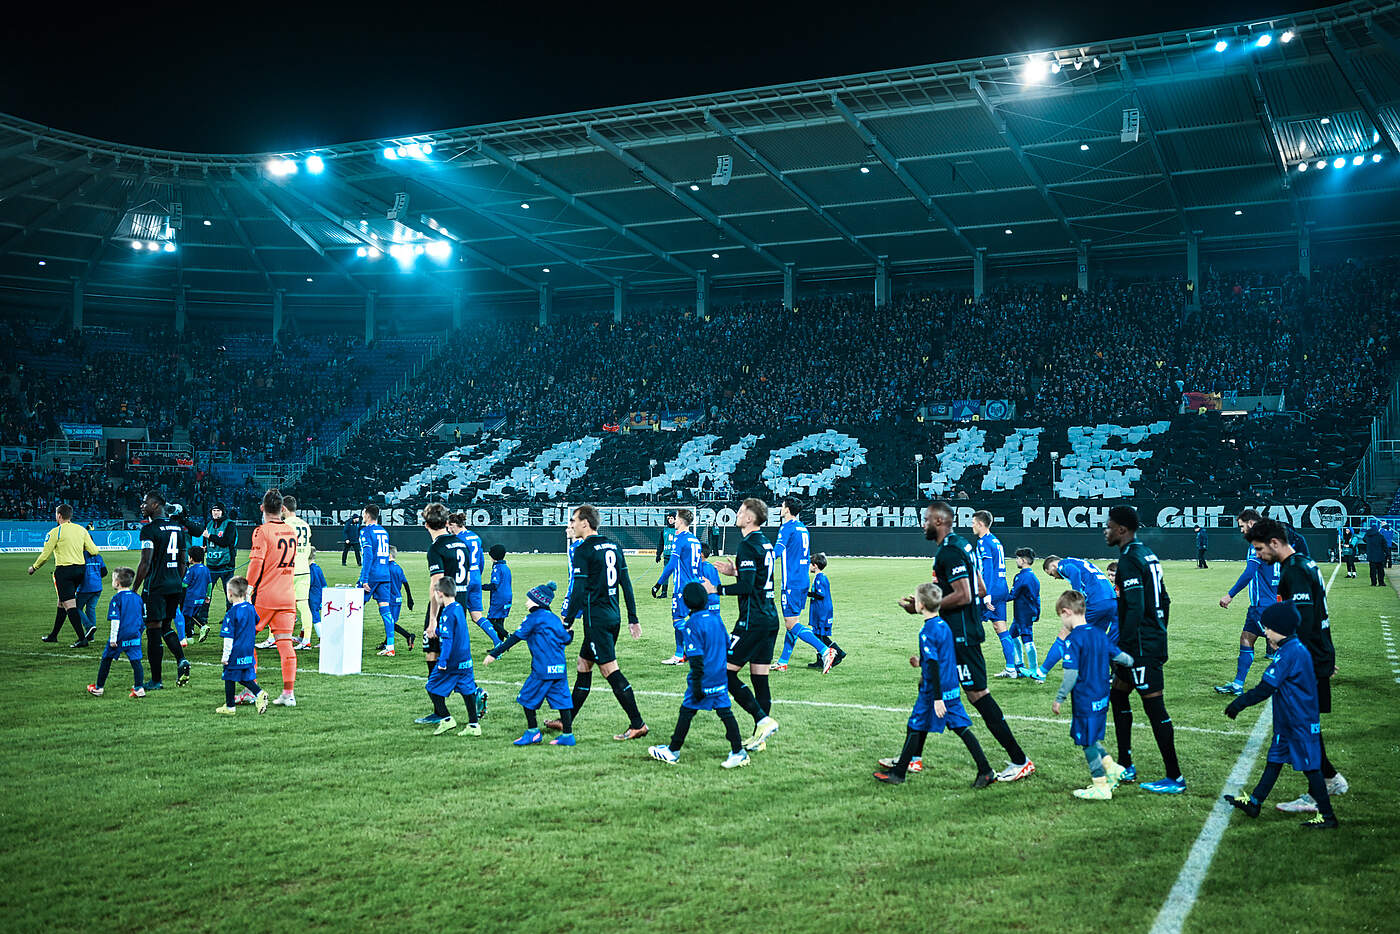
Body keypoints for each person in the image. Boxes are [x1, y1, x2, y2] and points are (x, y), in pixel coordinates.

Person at [902, 501, 1034, 783]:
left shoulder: (949, 551)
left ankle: (1020, 759)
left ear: (938, 522)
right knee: (928, 683)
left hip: (961, 635)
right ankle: (911, 758)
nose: (923, 524)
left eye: (926, 520)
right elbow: (981, 587)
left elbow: (964, 594)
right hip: (954, 632)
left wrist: (923, 606)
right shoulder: (963, 545)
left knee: (978, 695)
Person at [1243, 518, 1347, 813]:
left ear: (1275, 543)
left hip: (1307, 660)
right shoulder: (1304, 563)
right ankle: (1329, 779)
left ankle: (1322, 789)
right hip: (1316, 656)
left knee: (1303, 725)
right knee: (1303, 724)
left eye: (1260, 549)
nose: (1259, 555)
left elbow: (1303, 621)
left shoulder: (1295, 569)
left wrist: (1295, 657)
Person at [1223, 603, 1339, 829]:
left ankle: (1328, 816)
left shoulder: (1291, 652)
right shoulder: (1290, 648)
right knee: (1274, 759)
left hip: (1300, 721)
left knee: (1311, 767)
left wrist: (1239, 703)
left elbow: (1266, 687)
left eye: (1267, 628)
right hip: (1288, 720)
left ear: (1280, 628)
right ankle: (1255, 802)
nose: (1265, 632)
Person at [875, 582, 996, 787]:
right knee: (961, 727)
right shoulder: (944, 626)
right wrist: (920, 662)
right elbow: (941, 657)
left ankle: (898, 773)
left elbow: (933, 665)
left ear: (920, 605)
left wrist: (937, 698)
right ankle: (985, 770)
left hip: (933, 690)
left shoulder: (927, 631)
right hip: (951, 686)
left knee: (915, 725)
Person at [547, 504, 648, 741]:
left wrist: (567, 621)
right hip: (613, 616)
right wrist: (633, 618)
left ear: (585, 522)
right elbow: (626, 583)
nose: (572, 524)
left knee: (609, 670)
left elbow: (579, 590)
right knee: (584, 665)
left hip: (597, 620)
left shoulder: (584, 550)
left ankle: (638, 723)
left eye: (574, 520)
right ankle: (566, 720)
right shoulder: (614, 545)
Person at [1104, 505, 1184, 795]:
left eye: (1110, 526)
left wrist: (1123, 648)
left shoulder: (1129, 560)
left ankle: (1174, 777)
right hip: (1145, 640)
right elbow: (1166, 599)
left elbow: (1136, 607)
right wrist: (1161, 628)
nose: (1106, 530)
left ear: (1122, 529)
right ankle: (1125, 764)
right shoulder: (1146, 553)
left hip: (1139, 646)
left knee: (1154, 707)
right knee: (1117, 693)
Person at [647, 582, 750, 769]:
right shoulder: (716, 619)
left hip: (703, 679)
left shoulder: (691, 625)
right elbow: (728, 645)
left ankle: (673, 751)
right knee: (726, 713)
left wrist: (696, 685)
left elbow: (696, 659)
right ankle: (738, 751)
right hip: (720, 677)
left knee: (686, 711)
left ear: (686, 603)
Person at [708, 498, 783, 752]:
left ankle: (763, 720)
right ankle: (759, 736)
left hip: (753, 621)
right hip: (770, 618)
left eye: (740, 512)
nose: (737, 515)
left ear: (750, 518)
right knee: (760, 679)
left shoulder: (748, 544)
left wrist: (715, 589)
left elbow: (749, 587)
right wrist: (735, 572)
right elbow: (759, 577)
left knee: (724, 673)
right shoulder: (765, 542)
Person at [1049, 591, 1134, 800]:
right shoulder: (1098, 633)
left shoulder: (1073, 640)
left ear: (1066, 612)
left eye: (1061, 617)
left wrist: (1059, 698)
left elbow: (1071, 674)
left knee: (1086, 741)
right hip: (1103, 697)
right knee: (1092, 736)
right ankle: (1113, 769)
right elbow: (1123, 658)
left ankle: (1100, 785)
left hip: (1085, 698)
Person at [484, 580, 576, 747]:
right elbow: (567, 639)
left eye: (529, 599)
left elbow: (515, 638)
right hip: (559, 669)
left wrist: (494, 654)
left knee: (526, 699)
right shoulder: (554, 618)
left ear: (538, 601)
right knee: (563, 702)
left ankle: (533, 732)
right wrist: (571, 633)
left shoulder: (533, 619)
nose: (527, 602)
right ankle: (568, 735)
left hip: (542, 669)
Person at [1215, 509, 1283, 696]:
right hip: (1267, 604)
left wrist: (1230, 595)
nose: (1241, 530)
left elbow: (1250, 572)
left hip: (1263, 606)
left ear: (1251, 524)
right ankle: (1237, 684)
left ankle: (1301, 680)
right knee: (1246, 638)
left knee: (1282, 646)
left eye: (1242, 526)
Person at [131, 491, 192, 690]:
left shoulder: (149, 530)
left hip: (155, 587)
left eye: (145, 502)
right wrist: (177, 580)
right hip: (174, 585)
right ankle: (181, 659)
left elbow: (146, 562)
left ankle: (156, 680)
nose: (142, 505)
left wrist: (134, 589)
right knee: (167, 626)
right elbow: (183, 561)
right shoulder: (178, 528)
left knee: (154, 630)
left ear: (156, 505)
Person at [247, 489, 299, 707]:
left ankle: (251, 691)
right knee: (285, 644)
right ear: (282, 509)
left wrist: (248, 589)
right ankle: (288, 693)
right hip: (288, 596)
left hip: (266, 597)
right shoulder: (291, 531)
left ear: (262, 508)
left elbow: (257, 562)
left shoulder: (262, 531)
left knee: (246, 639)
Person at [771, 497, 836, 674]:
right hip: (802, 580)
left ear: (787, 509)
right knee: (793, 622)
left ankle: (825, 651)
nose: (780, 508)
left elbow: (777, 552)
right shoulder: (803, 528)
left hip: (791, 581)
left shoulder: (787, 527)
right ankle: (783, 661)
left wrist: (760, 559)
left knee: (791, 624)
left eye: (782, 506)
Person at [30, 503, 102, 647]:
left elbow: (45, 555)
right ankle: (53, 635)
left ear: (59, 515)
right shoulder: (81, 530)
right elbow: (94, 551)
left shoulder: (55, 532)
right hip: (80, 571)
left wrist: (34, 567)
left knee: (70, 605)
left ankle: (82, 639)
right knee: (62, 602)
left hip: (65, 571)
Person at [1035, 555, 1118, 679]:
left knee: (1065, 634)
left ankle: (1041, 672)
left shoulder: (1062, 564)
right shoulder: (1079, 561)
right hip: (1111, 601)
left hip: (1096, 602)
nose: (1055, 578)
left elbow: (1074, 571)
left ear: (1053, 566)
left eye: (1052, 574)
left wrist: (1076, 598)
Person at [422, 578, 482, 736]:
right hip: (465, 660)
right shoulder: (458, 608)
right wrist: (439, 632)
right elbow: (457, 633)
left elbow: (448, 642)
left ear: (439, 593)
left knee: (432, 686)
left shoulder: (447, 613)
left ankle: (447, 719)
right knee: (468, 691)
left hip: (451, 662)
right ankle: (474, 725)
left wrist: (442, 662)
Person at [85, 566, 146, 699]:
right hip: (135, 635)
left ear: (117, 583)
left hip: (119, 637)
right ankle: (139, 688)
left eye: (113, 578)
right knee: (136, 662)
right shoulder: (137, 597)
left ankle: (99, 688)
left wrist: (113, 638)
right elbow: (142, 619)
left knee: (106, 659)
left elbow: (115, 621)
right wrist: (139, 634)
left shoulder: (116, 599)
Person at [654, 508, 704, 665]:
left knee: (678, 620)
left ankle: (693, 650)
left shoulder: (680, 539)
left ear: (681, 520)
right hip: (697, 585)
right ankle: (680, 655)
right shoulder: (695, 539)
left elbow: (671, 565)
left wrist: (658, 584)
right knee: (689, 620)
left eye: (675, 518)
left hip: (683, 587)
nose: (674, 520)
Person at [972, 510, 1017, 679]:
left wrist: (986, 594)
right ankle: (1011, 668)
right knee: (1001, 628)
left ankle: (964, 665)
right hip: (1001, 588)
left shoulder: (983, 542)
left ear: (981, 524)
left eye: (973, 522)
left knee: (968, 624)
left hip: (990, 590)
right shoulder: (996, 541)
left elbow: (988, 569)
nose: (972, 525)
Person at [216, 576, 271, 716]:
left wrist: (225, 656)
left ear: (229, 593)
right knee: (243, 676)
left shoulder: (231, 613)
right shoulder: (250, 608)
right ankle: (259, 693)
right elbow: (256, 622)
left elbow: (228, 638)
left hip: (236, 650)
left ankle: (230, 707)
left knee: (229, 675)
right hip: (249, 649)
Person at [448, 513, 496, 649]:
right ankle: (497, 641)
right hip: (476, 577)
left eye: (449, 526)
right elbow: (481, 560)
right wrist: (477, 577)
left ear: (453, 525)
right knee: (476, 616)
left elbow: (458, 561)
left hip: (464, 578)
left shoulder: (458, 539)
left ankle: (456, 647)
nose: (448, 529)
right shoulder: (475, 536)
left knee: (456, 613)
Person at [991, 547, 1040, 678]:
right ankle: (1019, 665)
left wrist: (996, 596)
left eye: (1017, 558)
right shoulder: (1032, 577)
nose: (1016, 561)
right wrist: (1037, 612)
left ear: (1023, 560)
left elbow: (1011, 595)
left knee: (1027, 640)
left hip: (1024, 615)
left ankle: (1035, 671)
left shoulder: (1022, 577)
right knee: (1012, 636)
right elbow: (1037, 597)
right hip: (1023, 614)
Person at [359, 505, 399, 658]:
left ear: (367, 515)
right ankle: (390, 646)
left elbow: (368, 556)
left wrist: (364, 578)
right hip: (385, 574)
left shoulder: (366, 531)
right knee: (385, 610)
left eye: (363, 513)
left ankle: (351, 642)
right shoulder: (383, 531)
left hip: (372, 575)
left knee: (354, 607)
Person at [281, 496, 315, 648]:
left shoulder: (283, 524)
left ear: (283, 509)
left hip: (288, 570)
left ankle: (275, 637)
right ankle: (306, 639)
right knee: (303, 605)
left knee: (279, 606)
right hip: (303, 569)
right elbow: (307, 548)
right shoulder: (305, 524)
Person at [805, 553, 845, 669]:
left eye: (810, 564)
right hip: (821, 610)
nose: (809, 567)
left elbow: (820, 595)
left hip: (821, 611)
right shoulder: (821, 577)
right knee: (818, 634)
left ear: (815, 566)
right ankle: (836, 653)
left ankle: (829, 656)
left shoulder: (820, 578)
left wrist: (806, 594)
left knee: (819, 636)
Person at [379, 546, 416, 654]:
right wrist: (410, 598)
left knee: (390, 622)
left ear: (389, 555)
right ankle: (386, 643)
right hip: (398, 599)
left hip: (389, 599)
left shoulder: (386, 568)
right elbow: (405, 583)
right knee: (391, 621)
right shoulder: (398, 568)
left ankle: (408, 636)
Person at [205, 503, 238, 614]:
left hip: (226, 565)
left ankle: (230, 617)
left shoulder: (230, 524)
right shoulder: (209, 524)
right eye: (214, 510)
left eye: (218, 510)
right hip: (211, 565)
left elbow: (225, 542)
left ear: (223, 512)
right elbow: (208, 543)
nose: (215, 512)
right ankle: (202, 619)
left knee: (229, 594)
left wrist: (210, 536)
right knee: (206, 593)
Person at [75, 544, 108, 646]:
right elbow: (104, 572)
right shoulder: (98, 555)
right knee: (90, 609)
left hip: (86, 587)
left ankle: (88, 626)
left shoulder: (81, 555)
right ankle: (91, 637)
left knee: (75, 608)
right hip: (97, 587)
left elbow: (78, 573)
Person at [180, 545, 213, 645]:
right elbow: (210, 584)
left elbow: (185, 584)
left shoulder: (191, 570)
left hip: (190, 597)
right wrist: (208, 596)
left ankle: (201, 628)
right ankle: (190, 636)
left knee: (186, 615)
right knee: (193, 615)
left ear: (191, 558)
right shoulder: (205, 569)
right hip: (201, 597)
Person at [483, 544, 513, 644]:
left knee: (490, 620)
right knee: (500, 621)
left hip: (499, 598)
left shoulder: (497, 568)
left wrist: (480, 587)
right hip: (508, 597)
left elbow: (494, 585)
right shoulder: (506, 567)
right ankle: (501, 647)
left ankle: (508, 635)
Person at [307, 548, 327, 649]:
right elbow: (324, 584)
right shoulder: (318, 568)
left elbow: (309, 583)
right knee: (309, 615)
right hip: (319, 594)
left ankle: (322, 638)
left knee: (314, 616)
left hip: (312, 595)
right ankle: (303, 636)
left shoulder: (310, 569)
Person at [654, 512, 677, 598]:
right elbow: (661, 543)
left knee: (676, 575)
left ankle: (676, 592)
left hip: (676, 557)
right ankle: (664, 593)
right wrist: (658, 554)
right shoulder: (664, 530)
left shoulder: (679, 530)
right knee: (665, 574)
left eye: (672, 518)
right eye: (669, 518)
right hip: (667, 556)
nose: (670, 520)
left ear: (675, 519)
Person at [1364, 519, 1388, 587]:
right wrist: (1387, 554)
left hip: (1371, 556)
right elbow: (1385, 545)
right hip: (1380, 556)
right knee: (1380, 570)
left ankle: (1373, 583)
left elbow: (1364, 539)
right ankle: (1381, 582)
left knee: (1372, 571)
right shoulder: (1380, 536)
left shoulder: (1368, 536)